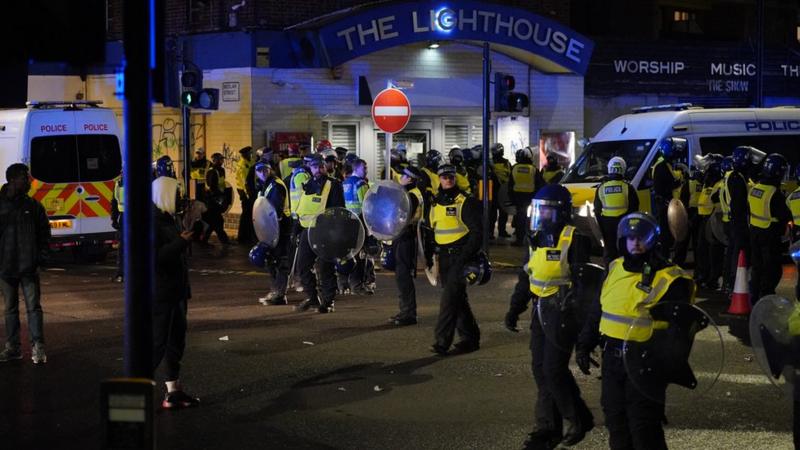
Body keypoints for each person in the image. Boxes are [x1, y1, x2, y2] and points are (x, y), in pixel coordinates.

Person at [576, 212, 695, 450]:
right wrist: (584, 344)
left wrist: (665, 365)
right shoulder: (615, 268)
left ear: (653, 240)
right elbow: (598, 309)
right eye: (630, 238)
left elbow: (680, 332)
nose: (636, 243)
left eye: (641, 238)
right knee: (616, 423)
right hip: (612, 360)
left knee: (644, 430)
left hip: (646, 364)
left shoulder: (671, 278)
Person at [499, 184, 595, 449]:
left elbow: (585, 283)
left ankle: (576, 418)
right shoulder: (536, 239)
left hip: (563, 313)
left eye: (549, 212)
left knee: (553, 369)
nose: (544, 217)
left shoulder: (574, 238)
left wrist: (583, 321)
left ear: (562, 213)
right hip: (540, 310)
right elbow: (526, 277)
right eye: (541, 211)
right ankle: (547, 428)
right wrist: (514, 309)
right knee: (541, 369)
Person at [152, 174, 200, 409]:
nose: (180, 197)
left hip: (176, 290)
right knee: (157, 344)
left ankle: (173, 391)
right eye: (176, 193)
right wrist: (181, 242)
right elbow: (155, 257)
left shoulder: (167, 218)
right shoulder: (152, 221)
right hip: (161, 292)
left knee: (175, 342)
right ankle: (134, 397)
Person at [426, 164, 482, 355]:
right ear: (439, 179)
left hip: (460, 256)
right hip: (443, 256)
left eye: (451, 177)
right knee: (458, 299)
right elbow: (431, 230)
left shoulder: (465, 201)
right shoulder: (435, 202)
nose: (448, 180)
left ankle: (442, 342)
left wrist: (465, 257)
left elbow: (477, 233)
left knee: (449, 300)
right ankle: (471, 338)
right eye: (444, 177)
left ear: (455, 178)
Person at [0, 164, 50, 364]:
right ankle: (13, 347)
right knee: (10, 309)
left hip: (28, 266)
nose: (29, 181)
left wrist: (41, 258)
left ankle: (37, 347)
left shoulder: (34, 206)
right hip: (5, 267)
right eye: (24, 178)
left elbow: (44, 235)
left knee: (33, 308)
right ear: (12, 179)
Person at [293, 154, 345, 313]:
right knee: (302, 266)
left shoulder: (333, 184)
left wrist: (335, 233)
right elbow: (302, 208)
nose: (318, 169)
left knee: (325, 268)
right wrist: (296, 230)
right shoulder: (308, 183)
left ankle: (328, 302)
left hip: (325, 232)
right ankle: (312, 298)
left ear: (325, 167)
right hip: (307, 230)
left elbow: (338, 210)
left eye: (321, 166)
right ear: (311, 168)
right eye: (315, 167)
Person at [749, 153, 791, 302]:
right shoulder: (774, 194)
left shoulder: (755, 189)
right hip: (770, 235)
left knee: (757, 268)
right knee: (772, 270)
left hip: (754, 232)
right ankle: (766, 298)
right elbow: (785, 215)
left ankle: (753, 296)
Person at [389, 166, 425, 326]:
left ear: (409, 179)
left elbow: (403, 218)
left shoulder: (411, 195)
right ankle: (405, 311)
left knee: (403, 276)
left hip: (406, 237)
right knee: (402, 275)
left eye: (404, 175)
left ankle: (409, 313)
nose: (401, 177)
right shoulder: (412, 193)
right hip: (406, 236)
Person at [254, 159, 293, 306]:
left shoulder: (275, 185)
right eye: (259, 170)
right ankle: (276, 291)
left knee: (279, 261)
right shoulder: (265, 185)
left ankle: (279, 294)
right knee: (271, 260)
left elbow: (275, 210)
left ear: (270, 170)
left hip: (280, 228)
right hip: (270, 228)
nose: (262, 172)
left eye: (265, 169)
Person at [594, 156, 639, 265]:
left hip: (606, 225)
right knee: (624, 251)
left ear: (610, 169)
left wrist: (601, 226)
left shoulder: (601, 187)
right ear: (623, 169)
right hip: (624, 224)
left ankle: (609, 276)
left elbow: (597, 209)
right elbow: (635, 207)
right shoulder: (628, 187)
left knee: (610, 253)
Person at [723, 147, 752, 293]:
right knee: (738, 252)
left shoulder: (732, 176)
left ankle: (729, 283)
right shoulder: (737, 178)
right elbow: (739, 203)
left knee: (732, 251)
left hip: (733, 220)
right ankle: (734, 283)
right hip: (738, 221)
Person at [342, 158, 373, 295]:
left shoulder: (345, 183)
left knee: (348, 254)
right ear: (356, 169)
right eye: (364, 168)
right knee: (361, 255)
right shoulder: (361, 184)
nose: (366, 171)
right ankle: (357, 286)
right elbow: (367, 206)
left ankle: (343, 284)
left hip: (347, 222)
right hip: (359, 222)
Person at [650, 138, 684, 258]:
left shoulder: (664, 164)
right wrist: (680, 180)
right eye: (673, 151)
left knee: (667, 234)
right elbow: (669, 184)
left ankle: (665, 256)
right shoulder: (662, 166)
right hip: (664, 204)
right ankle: (664, 259)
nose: (675, 154)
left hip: (666, 203)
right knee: (665, 235)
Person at [509, 147, 539, 246]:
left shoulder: (514, 168)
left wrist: (511, 198)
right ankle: (531, 240)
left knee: (519, 219)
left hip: (518, 197)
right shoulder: (534, 169)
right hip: (530, 198)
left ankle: (519, 240)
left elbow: (510, 184)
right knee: (531, 220)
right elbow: (539, 184)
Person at [201, 152, 231, 245]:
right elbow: (212, 187)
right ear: (215, 160)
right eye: (220, 159)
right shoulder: (212, 171)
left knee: (213, 222)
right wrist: (219, 196)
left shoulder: (221, 170)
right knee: (218, 221)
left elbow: (222, 184)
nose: (222, 161)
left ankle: (203, 240)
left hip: (218, 200)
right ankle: (224, 240)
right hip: (212, 201)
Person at [235, 146, 257, 246]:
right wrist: (248, 195)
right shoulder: (242, 165)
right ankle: (243, 237)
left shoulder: (250, 162)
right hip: (245, 192)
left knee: (248, 214)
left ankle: (246, 236)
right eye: (249, 153)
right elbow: (245, 182)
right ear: (245, 154)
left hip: (250, 191)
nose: (251, 154)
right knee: (246, 215)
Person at [490, 143, 512, 239]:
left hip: (501, 191)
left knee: (502, 213)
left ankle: (500, 232)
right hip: (495, 191)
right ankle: (493, 232)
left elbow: (511, 176)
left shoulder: (505, 162)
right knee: (494, 214)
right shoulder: (490, 163)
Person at [110, 172, 125, 283]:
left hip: (123, 218)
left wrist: (114, 219)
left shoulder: (118, 183)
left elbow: (114, 203)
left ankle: (121, 274)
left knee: (123, 248)